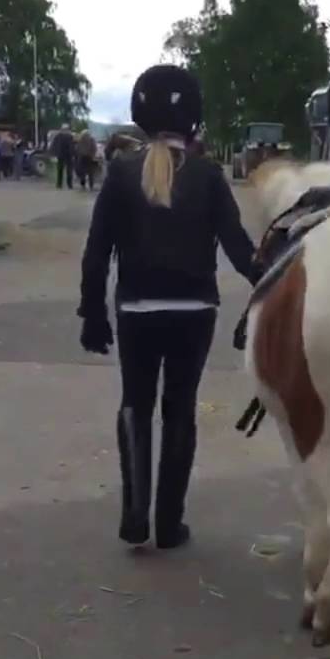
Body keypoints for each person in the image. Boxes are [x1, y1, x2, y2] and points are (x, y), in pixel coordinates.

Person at [78, 65, 261, 549]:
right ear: (193, 121)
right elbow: (240, 249)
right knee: (180, 412)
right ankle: (169, 524)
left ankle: (135, 515)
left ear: (140, 116)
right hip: (194, 311)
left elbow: (97, 253)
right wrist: (276, 279)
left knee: (135, 405)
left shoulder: (120, 172)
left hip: (137, 309)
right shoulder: (208, 176)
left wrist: (92, 314)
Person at [51, 123, 76, 189]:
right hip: (62, 155)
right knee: (61, 170)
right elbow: (54, 146)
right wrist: (54, 155)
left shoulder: (69, 137)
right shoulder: (59, 137)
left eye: (66, 129)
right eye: (64, 129)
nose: (65, 130)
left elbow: (72, 147)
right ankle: (61, 184)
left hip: (67, 155)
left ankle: (67, 185)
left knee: (68, 171)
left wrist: (73, 155)